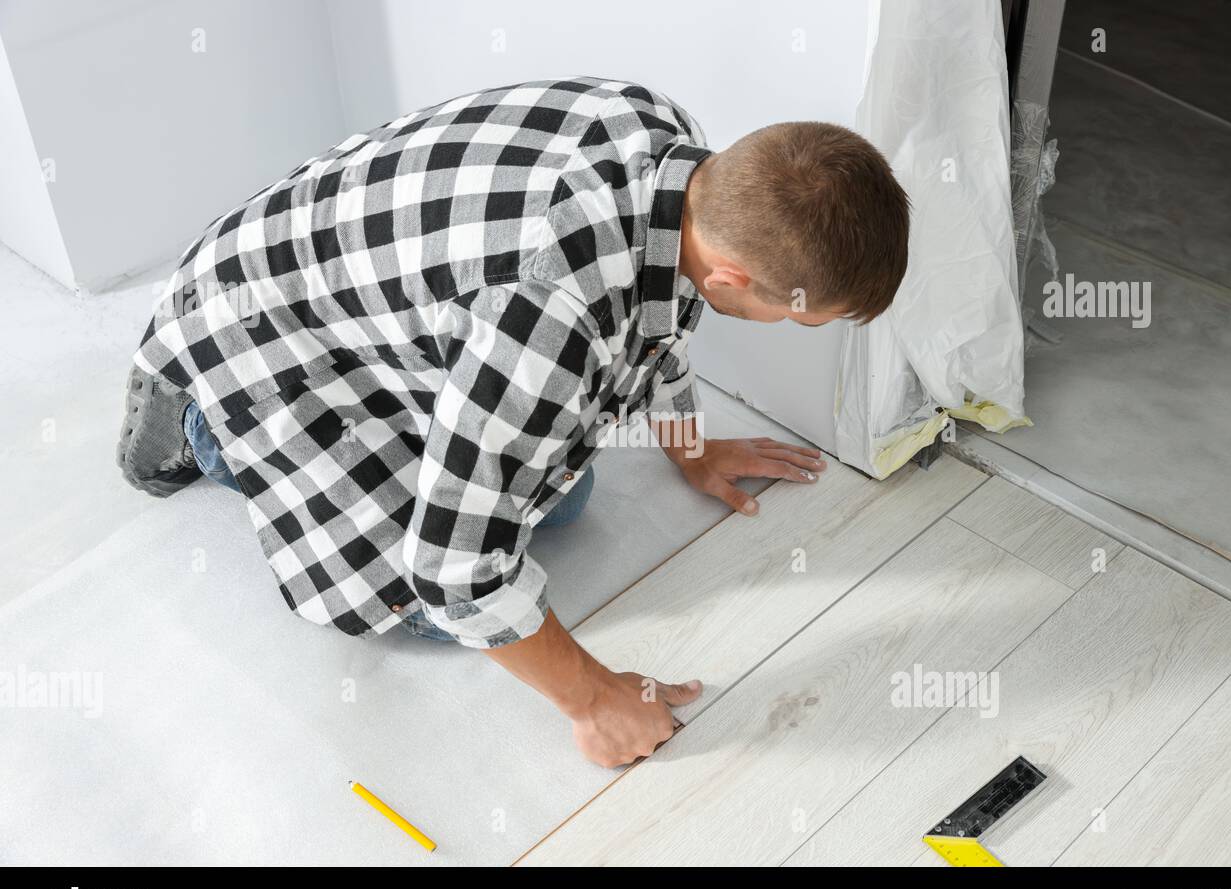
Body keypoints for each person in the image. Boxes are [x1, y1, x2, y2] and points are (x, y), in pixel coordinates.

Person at [118, 77, 909, 767]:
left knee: (560, 498)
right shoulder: (549, 315)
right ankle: (195, 427)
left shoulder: (673, 147)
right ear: (734, 274)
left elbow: (660, 311)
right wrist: (594, 700)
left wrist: (690, 448)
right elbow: (453, 567)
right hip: (239, 342)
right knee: (416, 596)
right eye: (801, 318)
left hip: (360, 299)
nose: (795, 326)